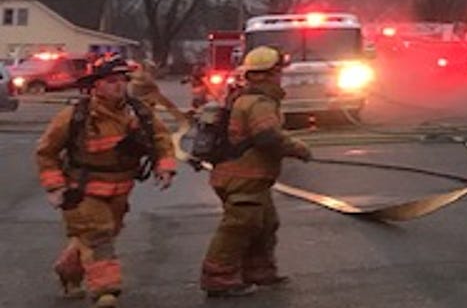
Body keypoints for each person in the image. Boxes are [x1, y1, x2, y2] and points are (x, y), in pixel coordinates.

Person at [35, 54, 177, 308]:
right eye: (111, 80)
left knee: (98, 236)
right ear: (96, 84)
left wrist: (164, 167)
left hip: (121, 190)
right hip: (82, 190)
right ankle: (105, 291)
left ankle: (68, 270)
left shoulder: (139, 112)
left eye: (123, 80)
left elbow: (161, 139)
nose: (119, 85)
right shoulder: (75, 115)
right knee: (99, 237)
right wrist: (55, 186)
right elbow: (46, 152)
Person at [198, 46, 311, 298]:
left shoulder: (247, 98)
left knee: (265, 223)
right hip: (243, 176)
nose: (281, 76)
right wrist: (299, 149)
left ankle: (258, 271)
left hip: (248, 176)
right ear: (270, 74)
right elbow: (268, 137)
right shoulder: (259, 102)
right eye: (279, 71)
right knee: (240, 225)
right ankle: (219, 276)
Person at [129, 59, 186, 126]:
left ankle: (181, 119)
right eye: (151, 68)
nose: (152, 70)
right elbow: (148, 83)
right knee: (167, 106)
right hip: (147, 96)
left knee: (163, 107)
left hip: (147, 96)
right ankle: (181, 120)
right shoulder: (142, 75)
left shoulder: (143, 75)